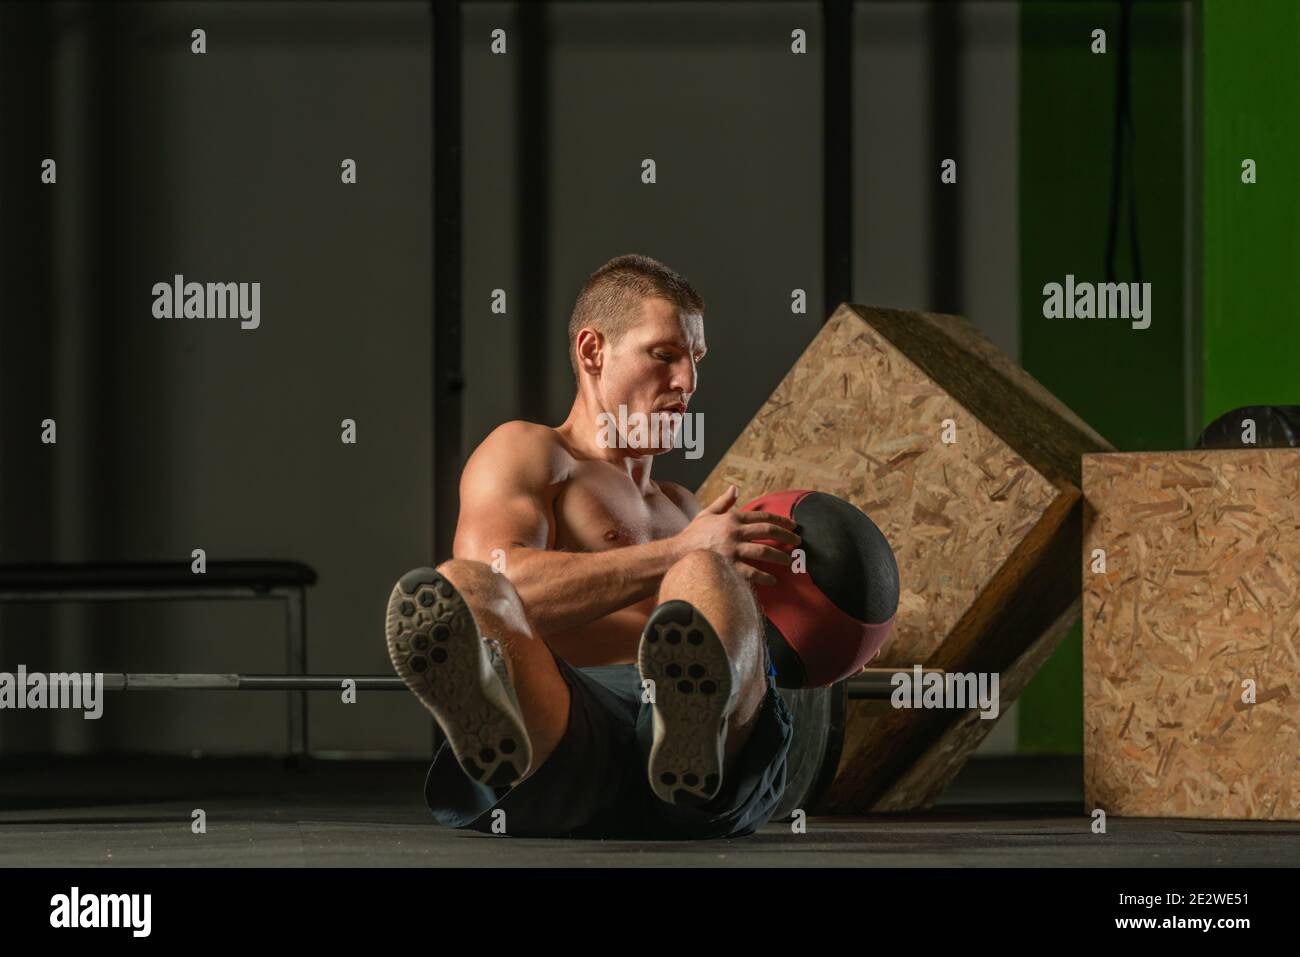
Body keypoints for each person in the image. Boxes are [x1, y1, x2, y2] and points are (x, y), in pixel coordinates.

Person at [384, 253, 798, 839]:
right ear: (592, 352)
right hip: (568, 727)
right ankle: (502, 733)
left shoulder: (685, 505)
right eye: (664, 354)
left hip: (707, 760)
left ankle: (689, 724)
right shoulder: (531, 453)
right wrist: (679, 553)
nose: (687, 382)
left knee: (707, 575)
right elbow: (505, 591)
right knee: (465, 584)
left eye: (694, 359)